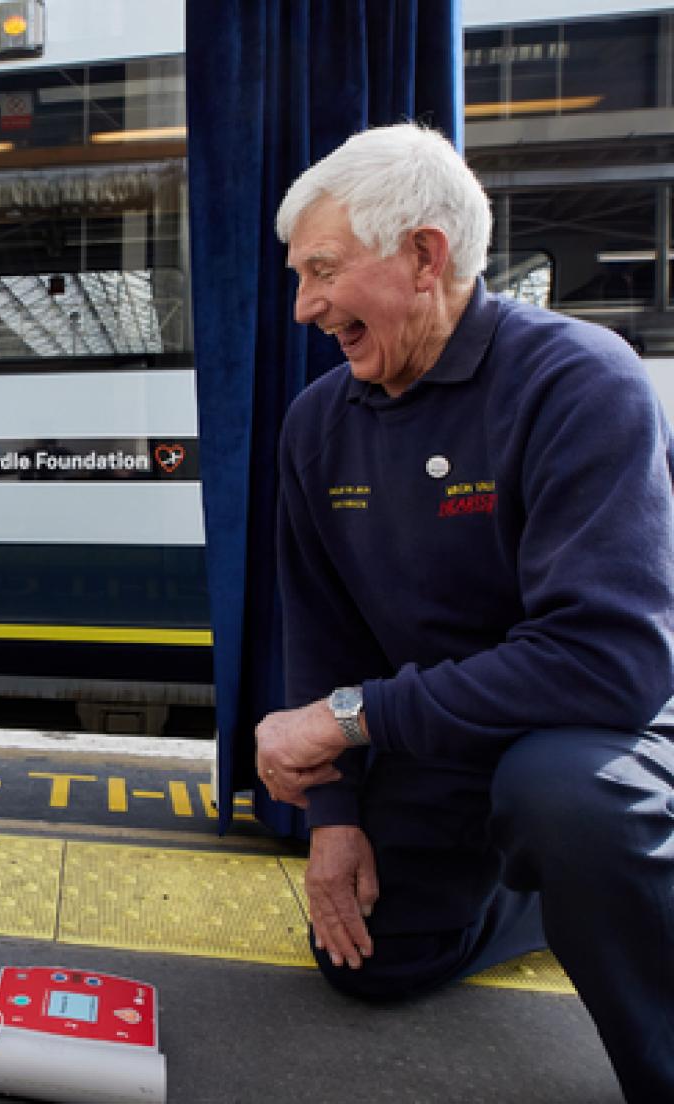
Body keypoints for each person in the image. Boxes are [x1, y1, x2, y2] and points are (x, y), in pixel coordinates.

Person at [255, 122, 674, 1102]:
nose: (304, 304)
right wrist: (333, 816)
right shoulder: (318, 424)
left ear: (423, 256)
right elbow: (325, 631)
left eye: (322, 270)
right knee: (371, 962)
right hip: (444, 744)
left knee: (562, 797)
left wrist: (353, 718)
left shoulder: (579, 382)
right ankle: (555, 894)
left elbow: (607, 661)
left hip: (594, 737)